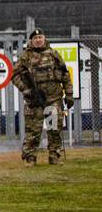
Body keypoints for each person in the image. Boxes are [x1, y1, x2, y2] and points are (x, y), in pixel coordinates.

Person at [11, 29, 74, 165]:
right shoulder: (25, 57)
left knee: (54, 128)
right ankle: (30, 157)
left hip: (53, 98)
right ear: (31, 41)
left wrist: (69, 94)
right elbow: (14, 75)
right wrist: (26, 90)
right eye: (35, 38)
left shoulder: (53, 54)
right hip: (34, 100)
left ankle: (54, 155)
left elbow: (65, 74)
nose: (38, 40)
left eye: (40, 37)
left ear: (44, 38)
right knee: (33, 129)